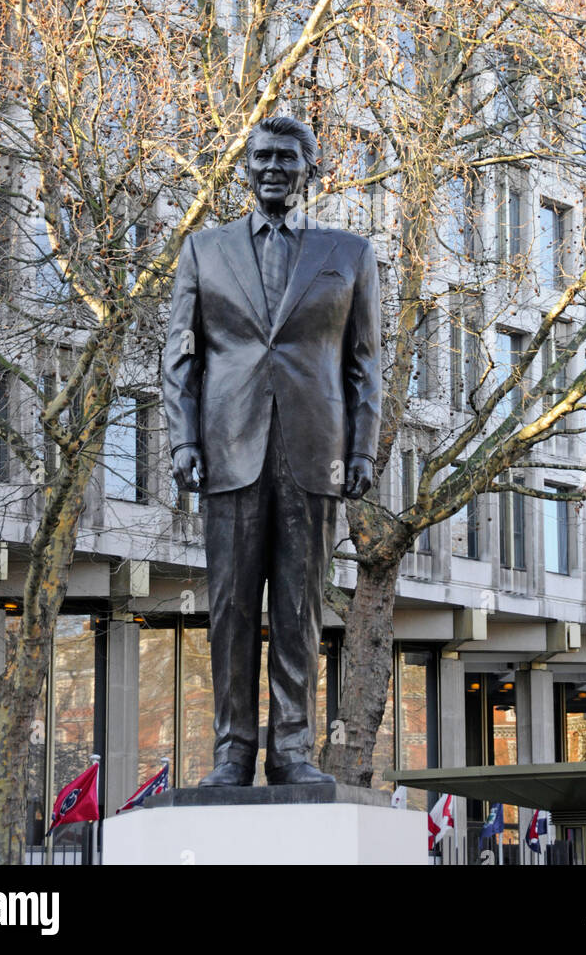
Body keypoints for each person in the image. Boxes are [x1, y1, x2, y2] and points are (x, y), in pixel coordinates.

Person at [162, 115, 382, 786]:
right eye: (261, 156)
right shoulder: (203, 250)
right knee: (230, 607)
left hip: (315, 452)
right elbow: (181, 354)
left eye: (288, 157)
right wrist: (183, 438)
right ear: (244, 167)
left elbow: (364, 362)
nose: (274, 167)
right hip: (228, 448)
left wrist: (364, 451)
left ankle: (292, 750)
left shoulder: (349, 253)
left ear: (312, 169)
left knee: (298, 608)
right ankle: (232, 749)